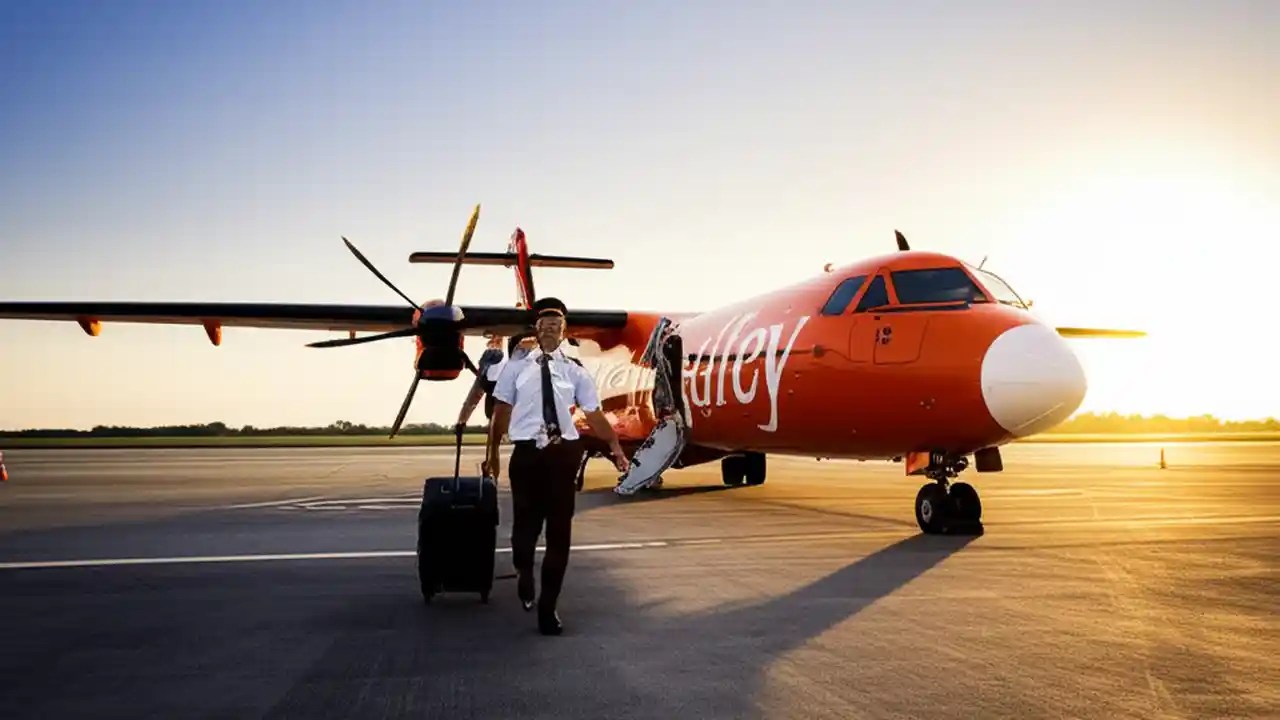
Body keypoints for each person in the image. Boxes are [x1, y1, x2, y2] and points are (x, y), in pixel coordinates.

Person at [485, 296, 629, 635]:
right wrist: (492, 452)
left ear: (564, 332)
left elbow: (594, 414)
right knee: (524, 531)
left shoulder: (576, 371)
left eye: (556, 325)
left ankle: (548, 608)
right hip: (527, 455)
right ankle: (523, 571)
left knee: (559, 534)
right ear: (536, 330)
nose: (550, 329)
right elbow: (501, 412)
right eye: (545, 324)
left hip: (564, 455)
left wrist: (614, 445)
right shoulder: (515, 369)